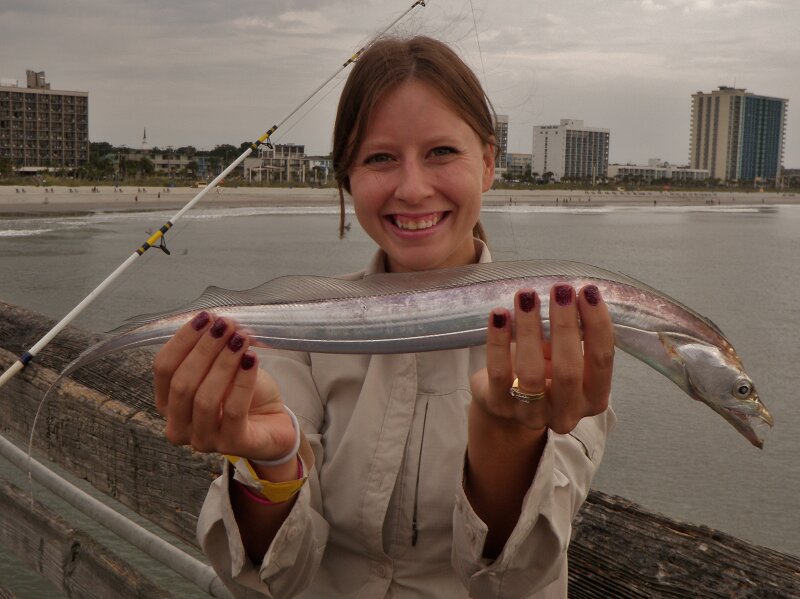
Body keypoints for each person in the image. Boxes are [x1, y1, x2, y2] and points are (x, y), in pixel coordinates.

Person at [153, 36, 616, 598]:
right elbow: (271, 578)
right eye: (379, 158)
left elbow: (513, 579)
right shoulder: (299, 328)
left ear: (489, 162)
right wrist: (271, 462)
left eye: (442, 152)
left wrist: (511, 437)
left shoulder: (558, 333)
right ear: (347, 177)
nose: (414, 188)